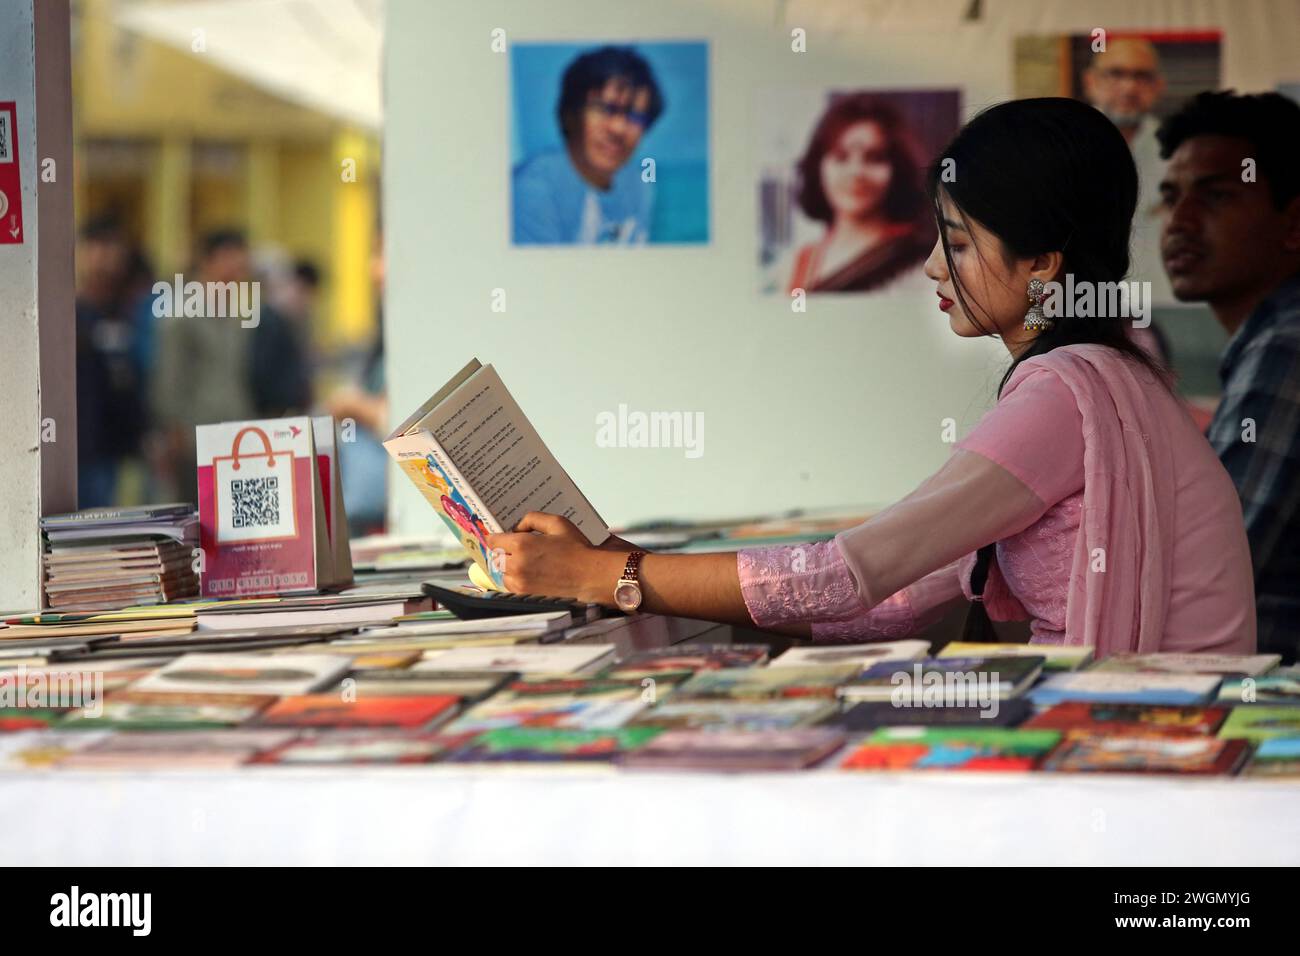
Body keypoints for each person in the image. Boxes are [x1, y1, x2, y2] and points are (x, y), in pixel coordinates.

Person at [485, 98, 1256, 655]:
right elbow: (890, 596)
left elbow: (844, 577)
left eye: (955, 241)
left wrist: (610, 576)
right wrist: (633, 565)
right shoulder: (1114, 378)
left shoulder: (1065, 397)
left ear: (1043, 264)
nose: (931, 266)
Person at [1156, 90, 1300, 662]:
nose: (1180, 222)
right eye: (1171, 198)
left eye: (1215, 197)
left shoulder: (1286, 347)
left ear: (1294, 225)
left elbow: (1212, 571)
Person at [512, 46, 663, 245]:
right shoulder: (530, 191)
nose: (618, 128)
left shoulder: (640, 186)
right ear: (570, 114)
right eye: (605, 109)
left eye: (635, 116)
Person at [785, 95, 931, 293]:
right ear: (817, 167)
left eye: (874, 158)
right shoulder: (798, 265)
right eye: (841, 157)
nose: (856, 172)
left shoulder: (920, 260)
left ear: (898, 169)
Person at [1082, 36, 1174, 303]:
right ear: (1091, 82)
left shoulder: (1179, 151)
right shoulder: (1062, 144)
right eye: (1116, 74)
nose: (1129, 87)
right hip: (1080, 304)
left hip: (1161, 303)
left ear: (1158, 86)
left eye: (1141, 77)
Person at [74, 216, 148, 507]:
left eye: (113, 249)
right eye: (98, 248)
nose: (106, 259)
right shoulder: (67, 311)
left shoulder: (128, 311)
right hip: (74, 446)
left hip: (114, 448)